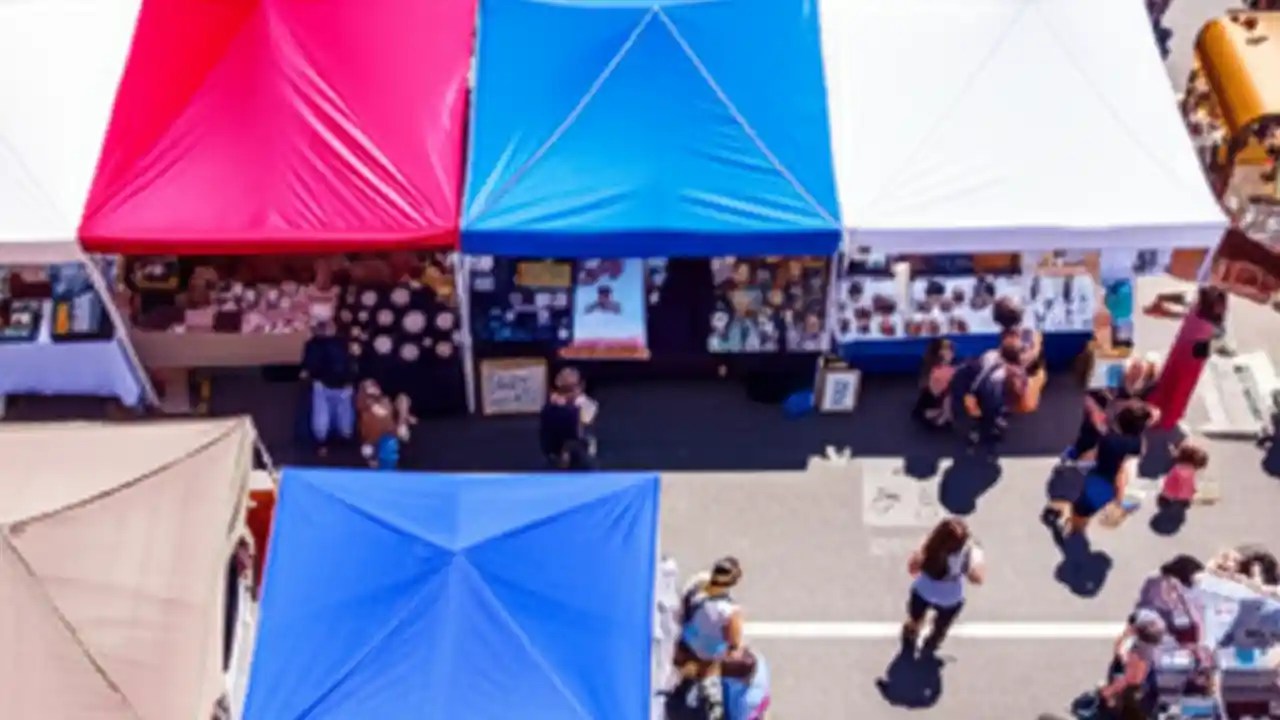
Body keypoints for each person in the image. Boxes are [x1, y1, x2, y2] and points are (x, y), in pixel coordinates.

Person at [1058, 402, 1150, 536]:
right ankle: (1082, 522)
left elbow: (1090, 457)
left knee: (1082, 508)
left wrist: (1075, 463)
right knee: (1093, 506)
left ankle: (1076, 526)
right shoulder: (1140, 443)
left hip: (1100, 479)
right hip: (1110, 487)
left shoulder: (1109, 439)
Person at [674, 557, 748, 720]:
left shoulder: (696, 591)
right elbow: (735, 641)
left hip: (688, 641)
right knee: (715, 667)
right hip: (709, 652)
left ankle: (686, 678)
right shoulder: (730, 610)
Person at [903, 518, 986, 655]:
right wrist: (978, 558)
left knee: (916, 617)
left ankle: (911, 632)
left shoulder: (928, 546)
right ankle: (933, 641)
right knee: (942, 624)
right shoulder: (968, 553)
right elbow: (977, 579)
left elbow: (912, 569)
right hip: (950, 598)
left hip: (923, 591)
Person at [1061, 355, 1161, 467]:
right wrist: (1095, 411)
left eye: (1140, 378)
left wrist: (1149, 412)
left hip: (1116, 422)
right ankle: (1076, 451)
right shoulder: (1113, 372)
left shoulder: (1143, 388)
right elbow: (1087, 396)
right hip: (1099, 412)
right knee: (1088, 433)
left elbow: (1152, 411)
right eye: (1135, 370)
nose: (1134, 377)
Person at [299, 314, 356, 457]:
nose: (326, 329)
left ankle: (342, 441)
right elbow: (309, 365)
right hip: (323, 385)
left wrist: (351, 379)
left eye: (329, 325)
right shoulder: (313, 344)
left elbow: (351, 361)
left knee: (345, 423)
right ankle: (322, 442)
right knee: (321, 419)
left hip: (343, 386)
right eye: (322, 326)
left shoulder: (343, 342)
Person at [1098, 609, 1166, 719]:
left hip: (1135, 681)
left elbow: (1128, 679)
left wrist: (1109, 691)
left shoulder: (1141, 657)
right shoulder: (1150, 632)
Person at [539, 367, 595, 470]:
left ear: (581, 386)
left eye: (570, 389)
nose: (566, 395)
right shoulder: (551, 409)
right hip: (555, 459)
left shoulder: (588, 405)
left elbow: (579, 431)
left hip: (583, 458)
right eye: (562, 390)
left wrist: (567, 409)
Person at [914, 338, 956, 429]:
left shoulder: (930, 367)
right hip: (936, 403)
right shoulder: (942, 371)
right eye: (950, 351)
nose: (953, 353)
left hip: (928, 404)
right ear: (941, 353)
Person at [1159, 439, 1208, 511]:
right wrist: (1193, 491)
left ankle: (1169, 501)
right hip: (1183, 496)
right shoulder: (1191, 470)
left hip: (1169, 495)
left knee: (1168, 493)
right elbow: (1189, 484)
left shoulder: (1176, 468)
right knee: (1183, 494)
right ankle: (1181, 501)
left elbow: (1168, 482)